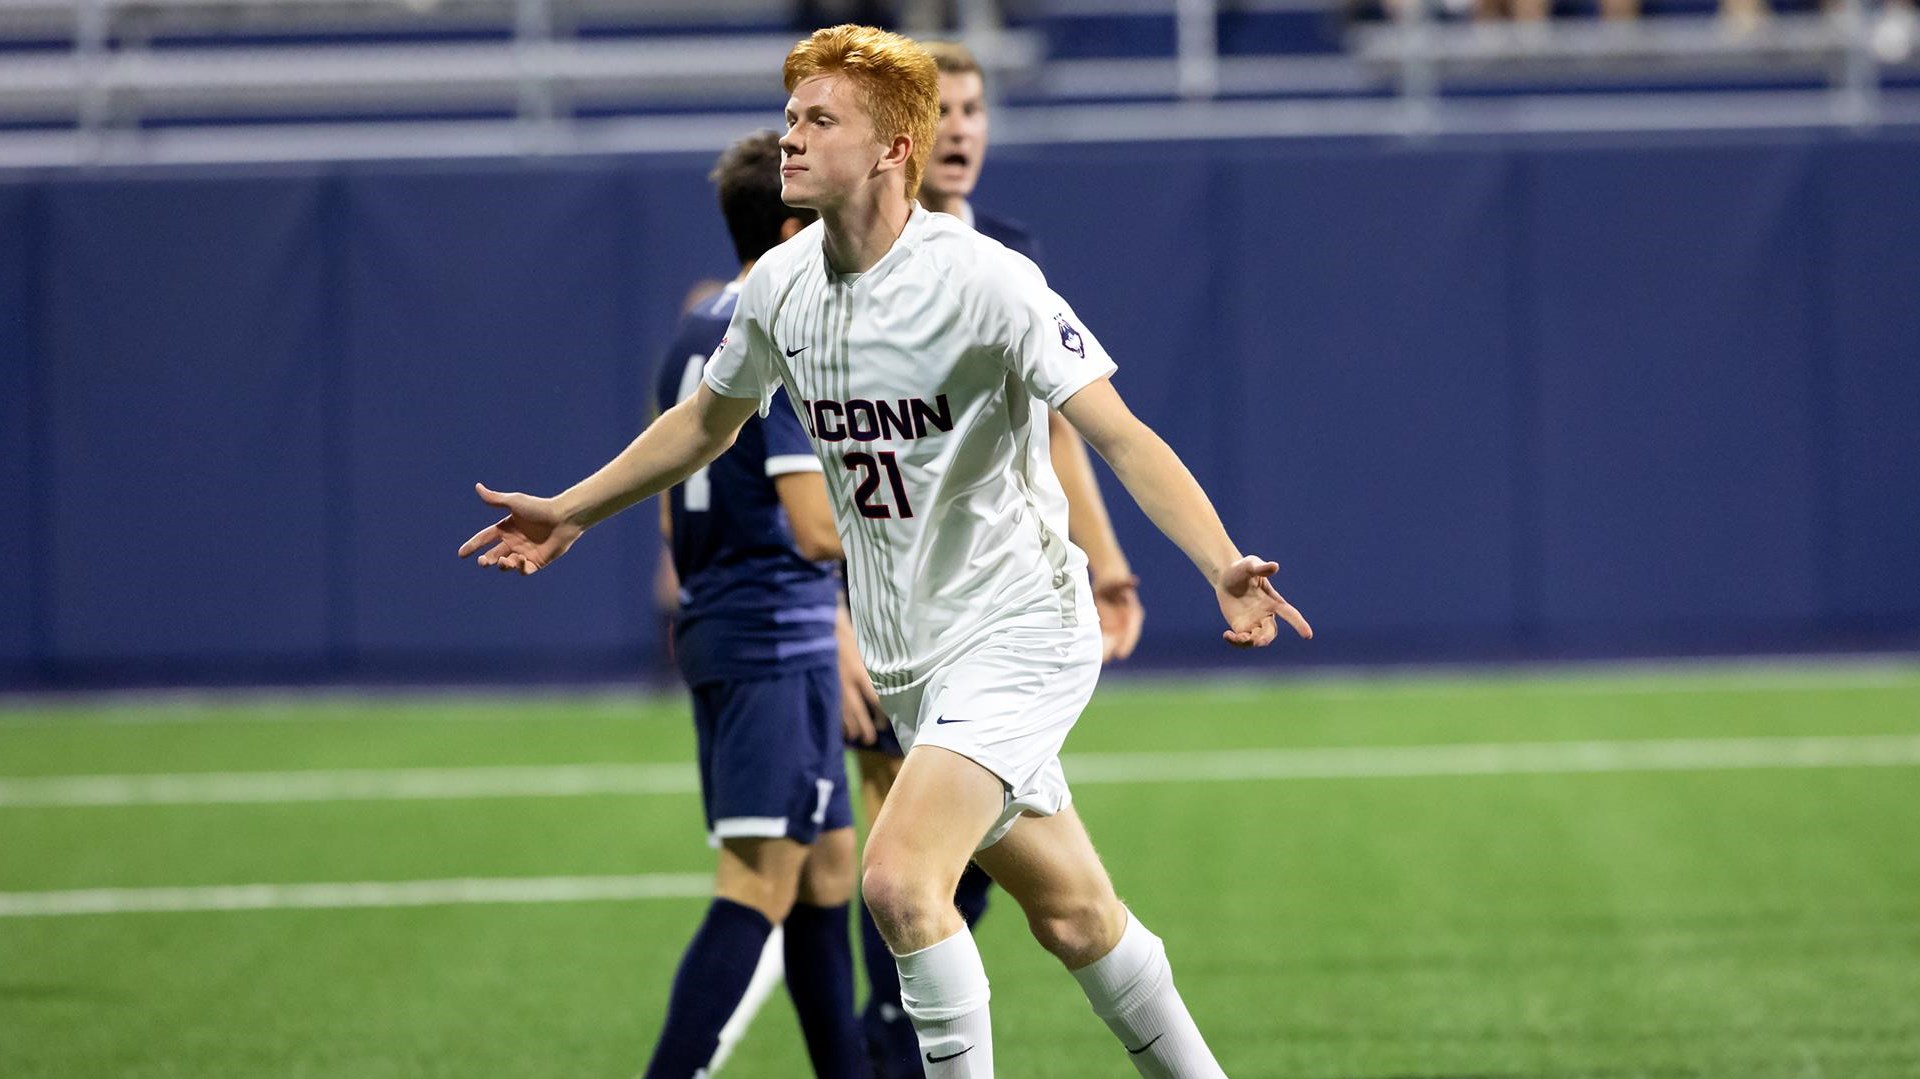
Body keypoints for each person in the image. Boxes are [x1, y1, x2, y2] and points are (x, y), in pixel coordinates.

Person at [460, 24, 1312, 1078]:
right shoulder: (780, 288)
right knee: (1078, 917)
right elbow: (705, 425)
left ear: (891, 148)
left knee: (903, 880)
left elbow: (1118, 430)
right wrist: (574, 510)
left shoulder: (987, 280)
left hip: (1023, 633)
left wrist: (1218, 559)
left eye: (820, 120)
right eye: (790, 117)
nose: (792, 138)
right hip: (918, 664)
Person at [842, 36, 1147, 1079]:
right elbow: (795, 448)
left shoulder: (1004, 261)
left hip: (1007, 621)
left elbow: (1071, 425)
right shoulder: (828, 266)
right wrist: (832, 610)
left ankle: (899, 1056)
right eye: (945, 110)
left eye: (975, 109)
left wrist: (1106, 562)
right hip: (901, 626)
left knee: (908, 871)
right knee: (1058, 907)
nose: (962, 128)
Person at [637, 130, 865, 1079]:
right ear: (788, 227)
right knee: (760, 880)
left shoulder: (693, 333)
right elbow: (816, 527)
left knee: (828, 872)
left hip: (735, 620)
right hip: (775, 627)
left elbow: (665, 510)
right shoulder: (783, 328)